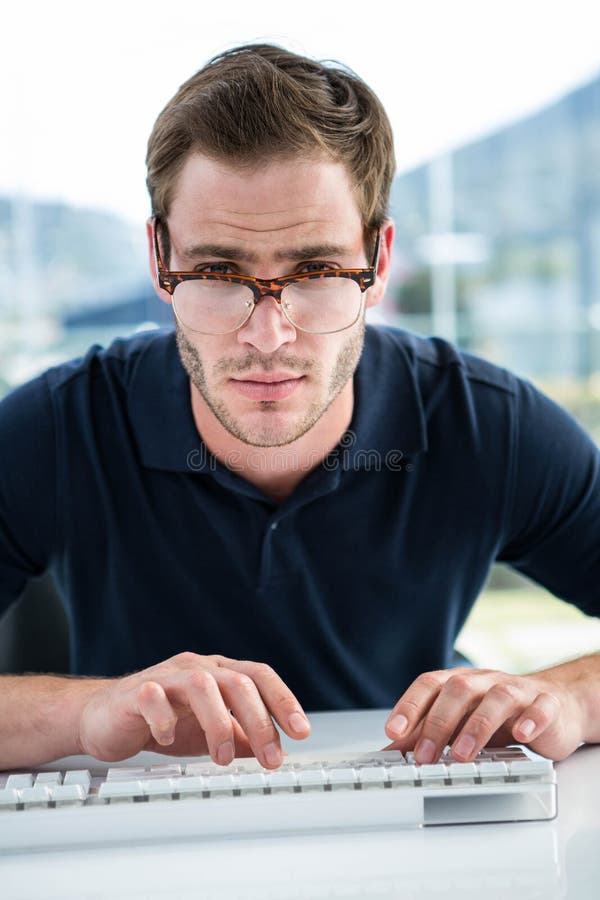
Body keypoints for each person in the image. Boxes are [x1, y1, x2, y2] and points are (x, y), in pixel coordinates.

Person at [0, 44, 598, 773]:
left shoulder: (490, 425)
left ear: (378, 263)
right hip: (142, 841)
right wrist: (83, 711)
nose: (268, 334)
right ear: (160, 258)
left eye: (315, 271)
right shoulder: (58, 429)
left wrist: (568, 697)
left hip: (414, 831)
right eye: (219, 270)